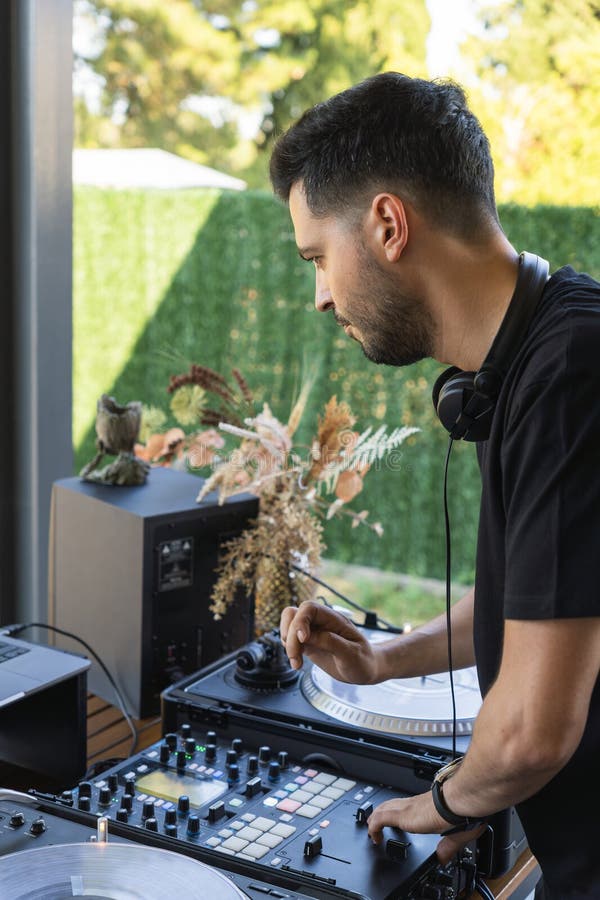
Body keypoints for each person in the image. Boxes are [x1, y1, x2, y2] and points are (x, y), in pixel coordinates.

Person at [269, 73, 600, 899]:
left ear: (387, 224)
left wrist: (444, 805)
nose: (319, 295)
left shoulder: (569, 377)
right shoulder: (536, 355)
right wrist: (385, 660)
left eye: (318, 256)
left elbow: (529, 732)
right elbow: (537, 601)